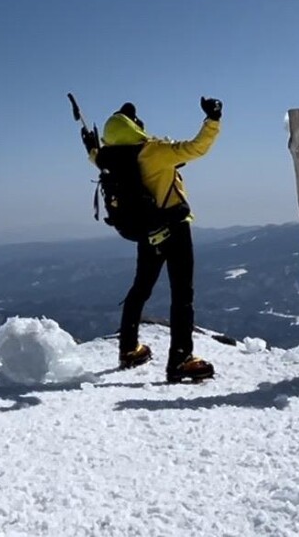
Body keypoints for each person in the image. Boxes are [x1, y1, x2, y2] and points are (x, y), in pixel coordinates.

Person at [87, 97, 223, 383]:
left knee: (140, 289)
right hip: (174, 226)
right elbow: (197, 148)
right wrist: (212, 119)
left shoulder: (108, 158)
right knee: (182, 294)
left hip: (147, 231)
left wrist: (90, 146)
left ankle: (129, 349)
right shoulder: (155, 152)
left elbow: (95, 156)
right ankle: (180, 359)